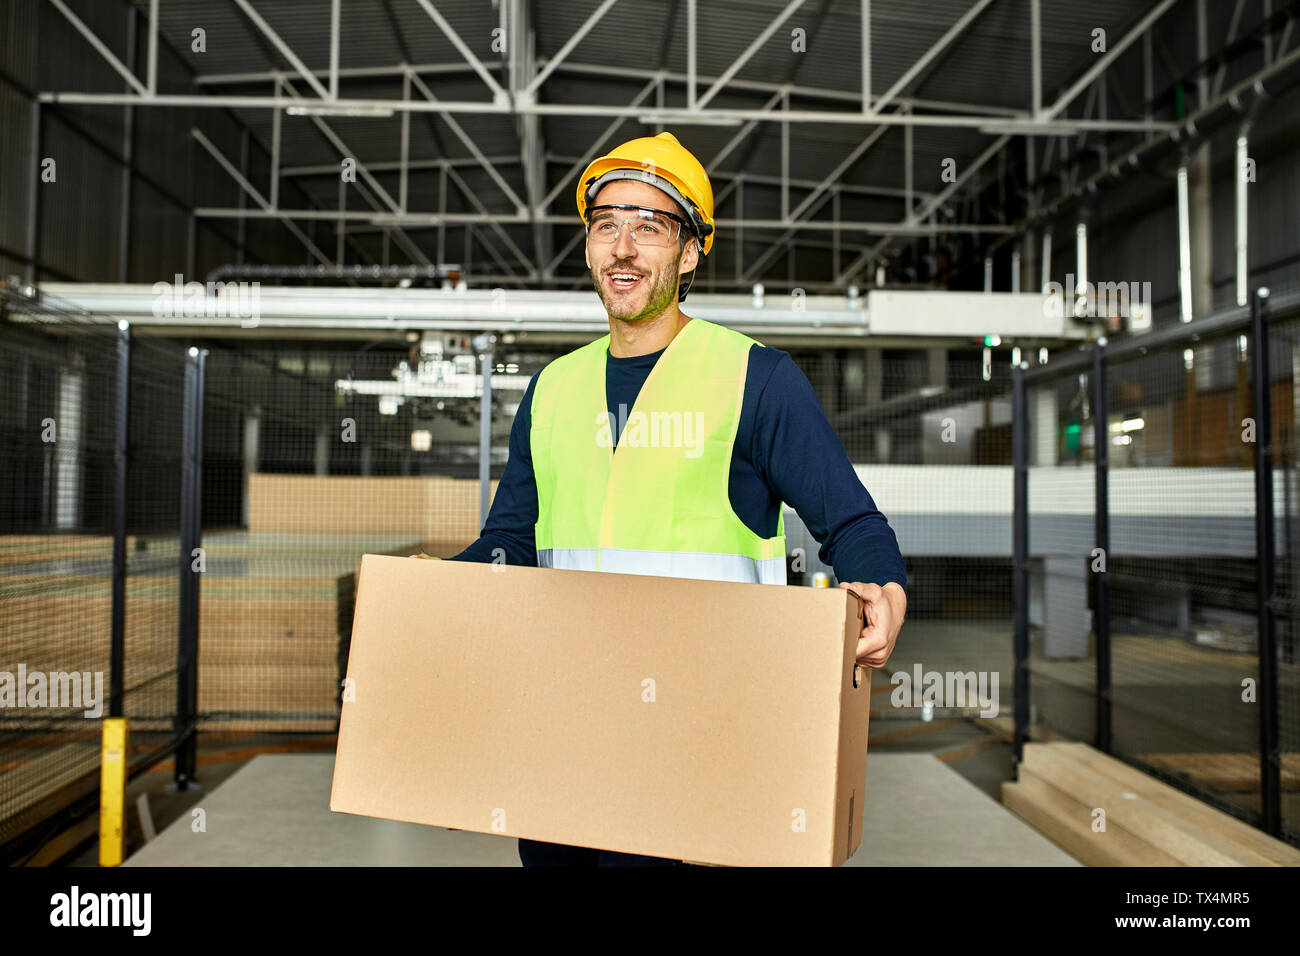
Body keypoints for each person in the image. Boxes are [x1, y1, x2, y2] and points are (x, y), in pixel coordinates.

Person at [446, 131, 908, 867]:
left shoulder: (754, 379)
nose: (623, 248)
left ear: (690, 252)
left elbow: (850, 520)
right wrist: (428, 588)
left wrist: (883, 587)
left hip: (699, 744)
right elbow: (512, 539)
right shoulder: (552, 389)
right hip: (563, 735)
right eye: (606, 225)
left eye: (650, 227)